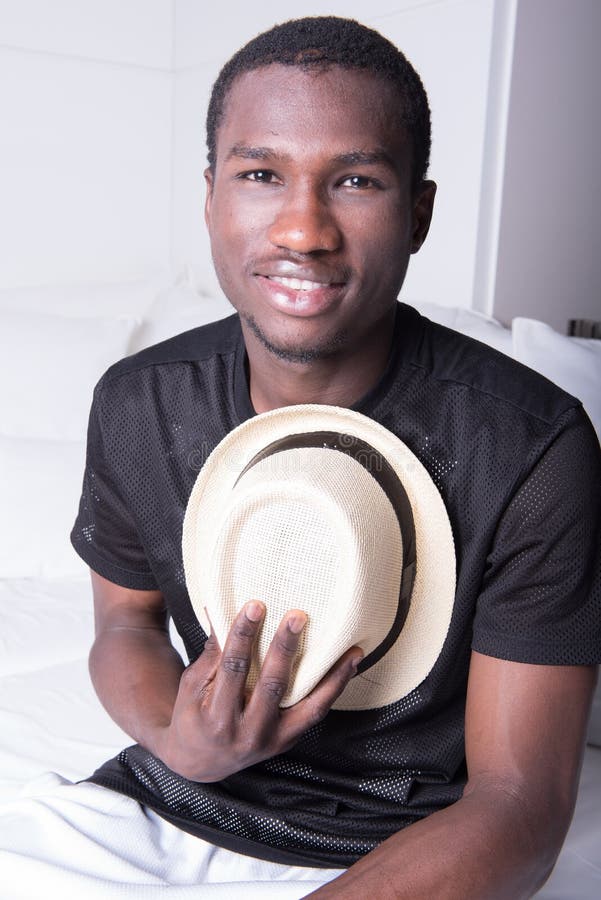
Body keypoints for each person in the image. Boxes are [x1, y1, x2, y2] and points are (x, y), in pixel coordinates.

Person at [2, 15, 600, 900]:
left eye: (355, 179)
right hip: (161, 803)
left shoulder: (529, 445)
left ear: (418, 213)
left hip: (409, 850)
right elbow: (124, 626)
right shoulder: (140, 403)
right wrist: (176, 734)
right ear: (210, 198)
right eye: (259, 175)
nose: (302, 229)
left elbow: (519, 802)